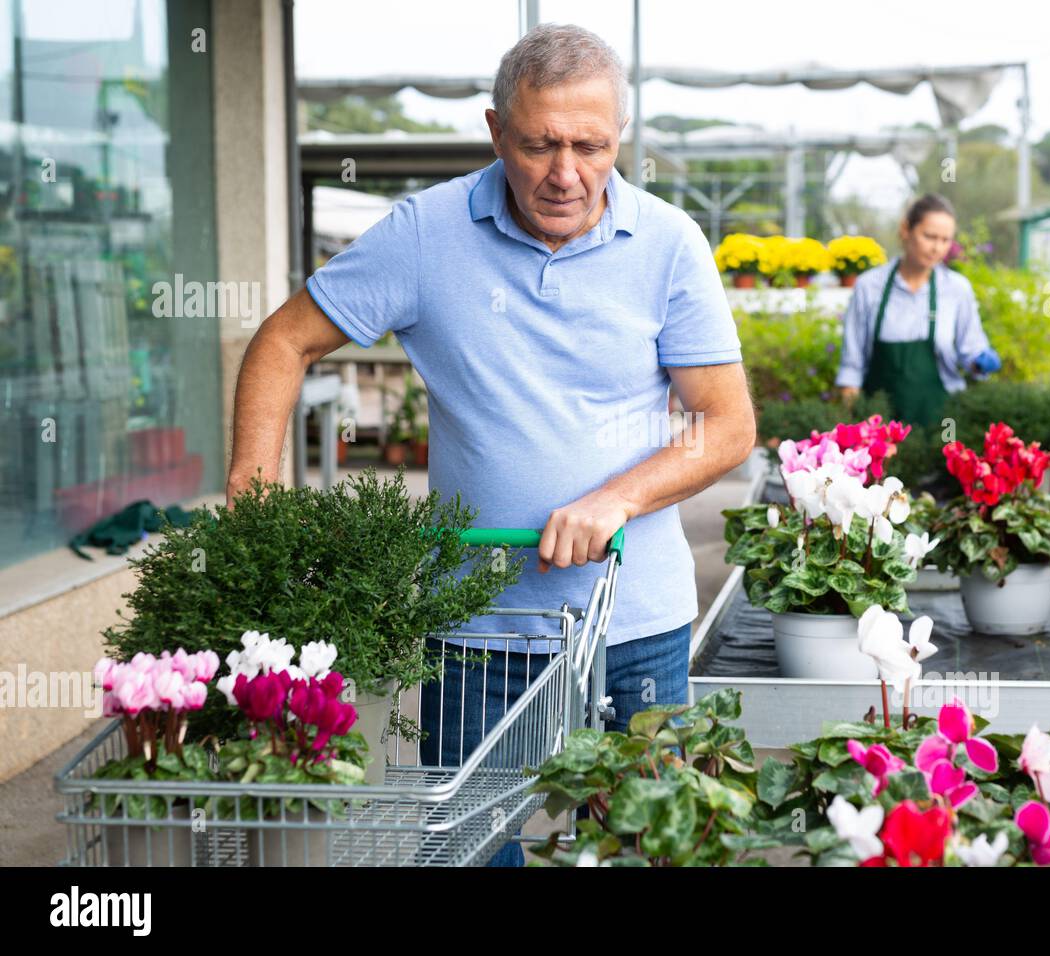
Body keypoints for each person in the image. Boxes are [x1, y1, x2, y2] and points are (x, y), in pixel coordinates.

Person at [223, 24, 756, 865]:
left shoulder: (668, 243)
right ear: (496, 131)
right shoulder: (425, 235)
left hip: (635, 624)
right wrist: (255, 508)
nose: (567, 173)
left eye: (592, 145)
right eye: (540, 143)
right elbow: (283, 343)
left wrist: (613, 498)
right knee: (469, 852)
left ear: (621, 134)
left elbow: (727, 424)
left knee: (642, 850)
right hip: (474, 631)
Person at [836, 194, 1001, 428]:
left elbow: (971, 349)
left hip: (942, 422)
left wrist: (980, 361)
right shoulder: (869, 287)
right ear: (906, 230)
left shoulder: (956, 289)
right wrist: (854, 430)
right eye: (930, 236)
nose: (937, 248)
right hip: (880, 428)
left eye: (945, 240)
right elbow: (851, 368)